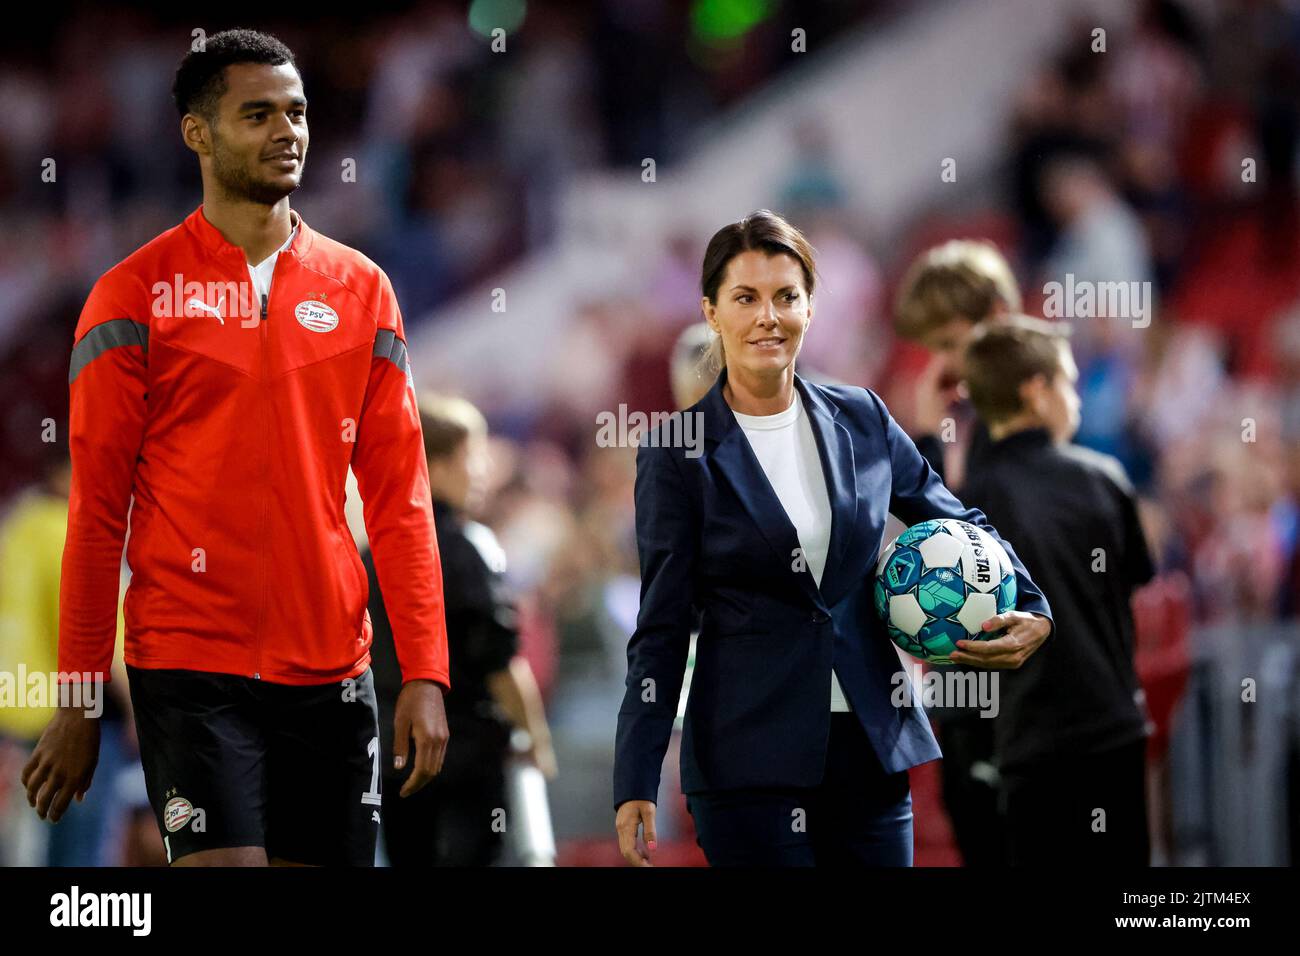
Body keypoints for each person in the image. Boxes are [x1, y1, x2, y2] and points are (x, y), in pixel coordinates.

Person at [21, 29, 451, 867]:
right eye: (257, 115)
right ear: (198, 134)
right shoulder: (132, 296)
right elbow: (97, 512)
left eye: (295, 113)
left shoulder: (363, 290)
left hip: (333, 668)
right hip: (188, 665)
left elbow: (401, 500)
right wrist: (77, 701)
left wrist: (426, 672)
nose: (286, 131)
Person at [613, 210, 1055, 867]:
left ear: (811, 309)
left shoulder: (864, 417)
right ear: (711, 313)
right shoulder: (675, 454)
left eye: (786, 296)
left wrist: (1034, 607)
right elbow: (663, 623)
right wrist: (636, 776)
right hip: (747, 762)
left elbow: (958, 519)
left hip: (871, 748)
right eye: (746, 298)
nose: (769, 316)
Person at [960, 315, 1155, 866]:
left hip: (1027, 750)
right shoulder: (1104, 478)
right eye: (1066, 382)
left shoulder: (964, 507)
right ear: (1035, 391)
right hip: (1113, 734)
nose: (1076, 398)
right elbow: (1136, 580)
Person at [363, 393, 556, 866]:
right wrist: (537, 740)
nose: (483, 471)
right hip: (466, 755)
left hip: (393, 754)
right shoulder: (471, 547)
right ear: (437, 464)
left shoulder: (372, 553)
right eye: (473, 457)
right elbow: (499, 662)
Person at [891, 238, 1021, 866]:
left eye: (949, 340)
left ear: (996, 315)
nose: (941, 362)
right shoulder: (964, 424)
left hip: (1024, 697)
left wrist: (926, 439)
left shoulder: (1032, 421)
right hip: (965, 688)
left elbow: (971, 546)